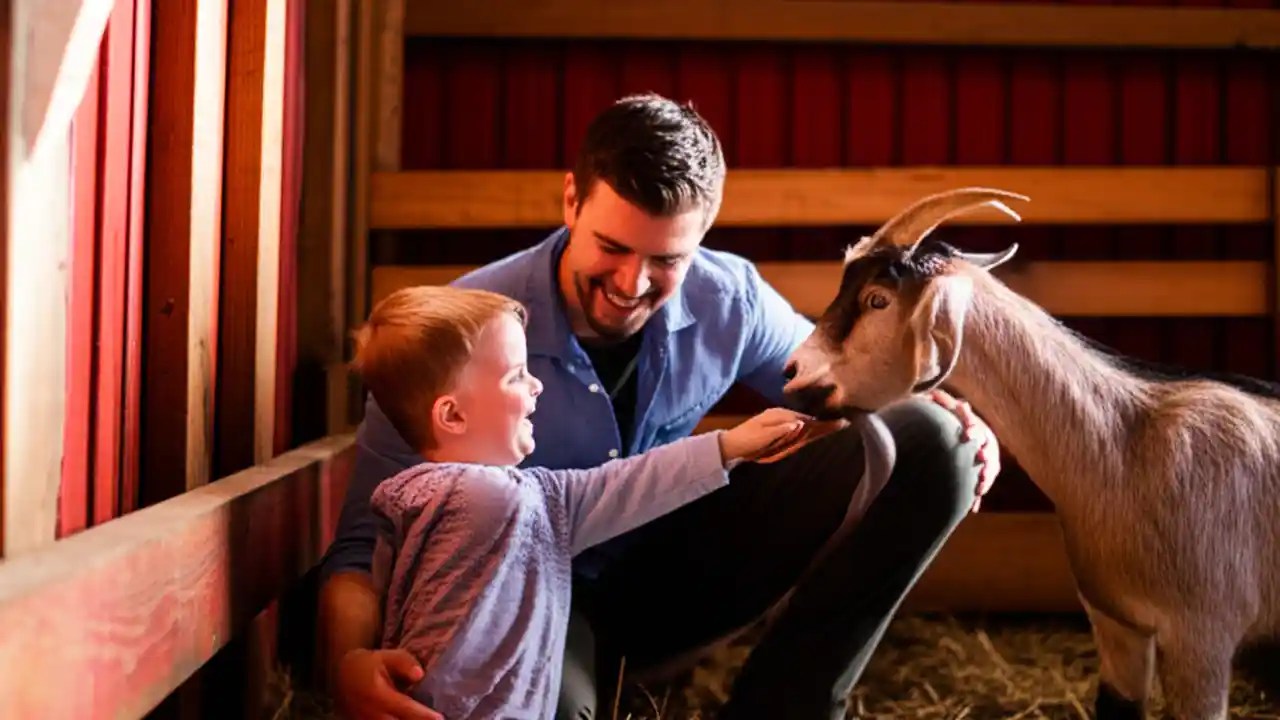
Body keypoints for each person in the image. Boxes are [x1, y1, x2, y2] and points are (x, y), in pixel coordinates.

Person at [319, 92, 1002, 720]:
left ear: (701, 237)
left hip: (682, 570)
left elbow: (847, 382)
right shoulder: (461, 338)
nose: (631, 283)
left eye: (666, 260)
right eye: (611, 247)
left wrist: (950, 411)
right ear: (571, 202)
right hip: (530, 603)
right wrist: (349, 661)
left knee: (932, 442)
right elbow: (360, 544)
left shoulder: (727, 297)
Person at [353, 284, 819, 720]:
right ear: (453, 414)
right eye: (516, 376)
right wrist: (727, 445)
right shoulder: (492, 500)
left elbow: (622, 485)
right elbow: (629, 486)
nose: (536, 386)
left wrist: (729, 446)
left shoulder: (418, 507)